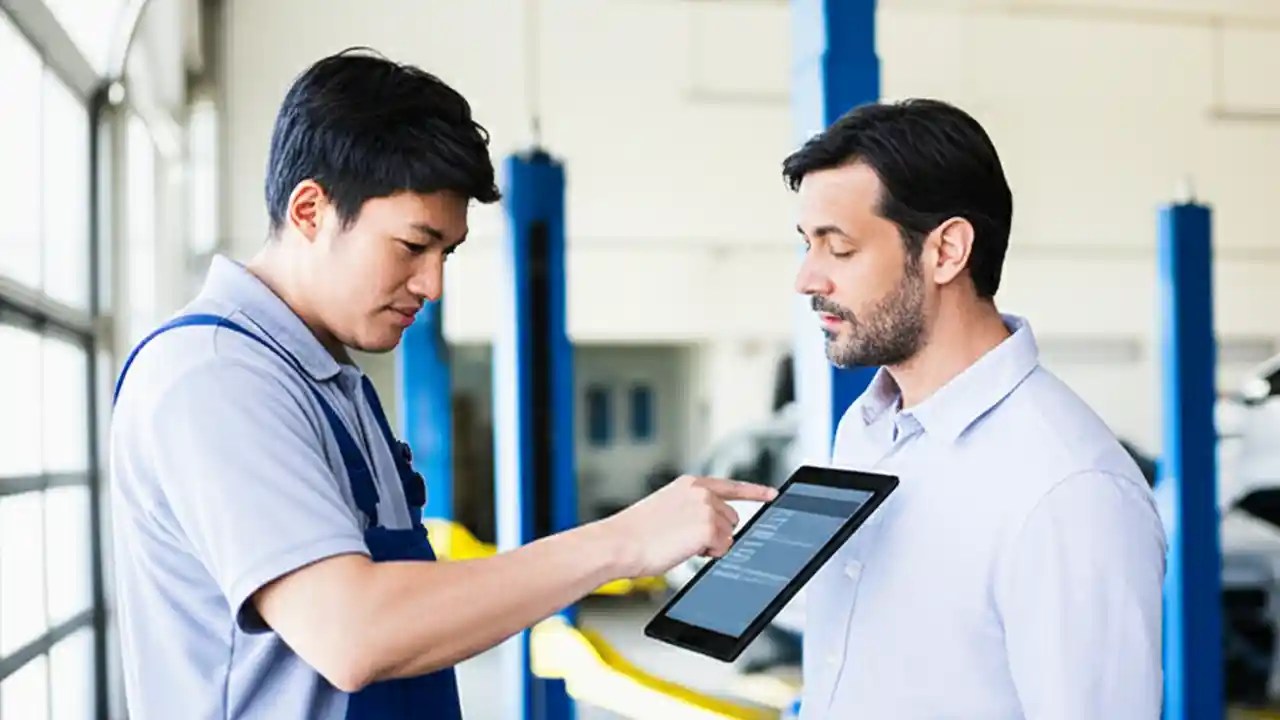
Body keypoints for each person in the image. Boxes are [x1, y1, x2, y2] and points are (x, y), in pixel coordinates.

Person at [108, 48, 775, 720]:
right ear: (309, 210)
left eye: (446, 253)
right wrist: (622, 541)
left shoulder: (331, 381)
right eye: (411, 246)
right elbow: (354, 634)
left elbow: (409, 613)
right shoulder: (217, 376)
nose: (432, 285)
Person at [785, 99, 1167, 719]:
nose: (806, 278)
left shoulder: (1070, 490)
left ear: (946, 251)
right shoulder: (867, 430)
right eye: (807, 245)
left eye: (840, 249)